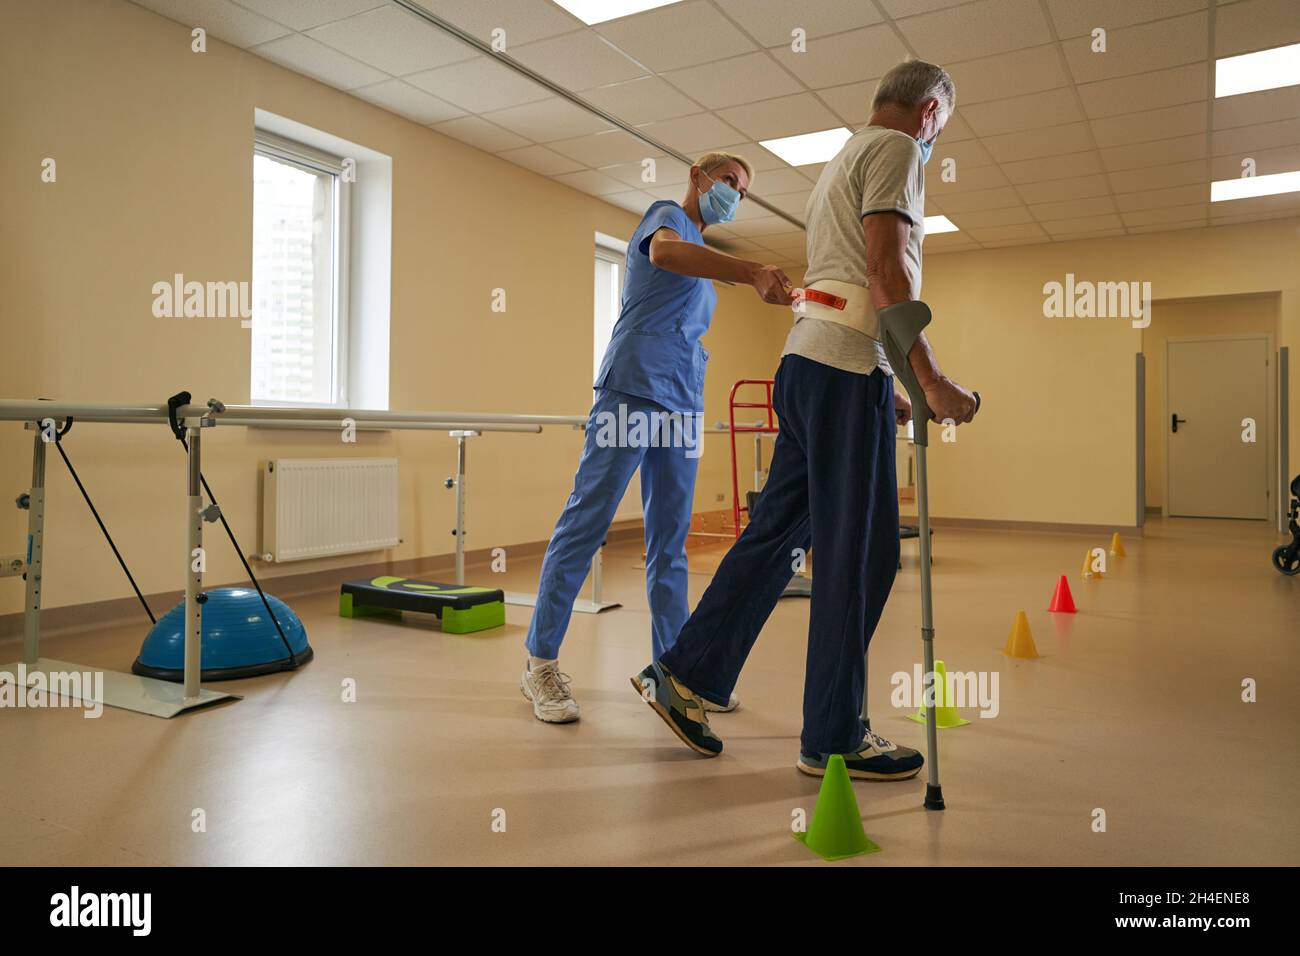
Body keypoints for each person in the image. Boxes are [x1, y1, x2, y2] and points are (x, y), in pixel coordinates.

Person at [633, 60, 980, 780]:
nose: (938, 134)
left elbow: (847, 282)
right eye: (942, 123)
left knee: (777, 539)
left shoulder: (843, 156)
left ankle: (686, 674)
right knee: (861, 555)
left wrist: (889, 387)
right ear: (931, 112)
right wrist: (933, 377)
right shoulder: (896, 150)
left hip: (814, 365)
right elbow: (887, 273)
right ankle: (833, 735)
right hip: (840, 373)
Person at [521, 152, 796, 723]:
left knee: (670, 543)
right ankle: (540, 665)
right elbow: (666, 253)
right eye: (729, 183)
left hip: (681, 404)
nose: (735, 197)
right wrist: (746, 272)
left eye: (742, 192)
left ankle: (673, 674)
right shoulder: (666, 216)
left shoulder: (702, 258)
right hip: (632, 391)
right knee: (586, 524)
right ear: (698, 178)